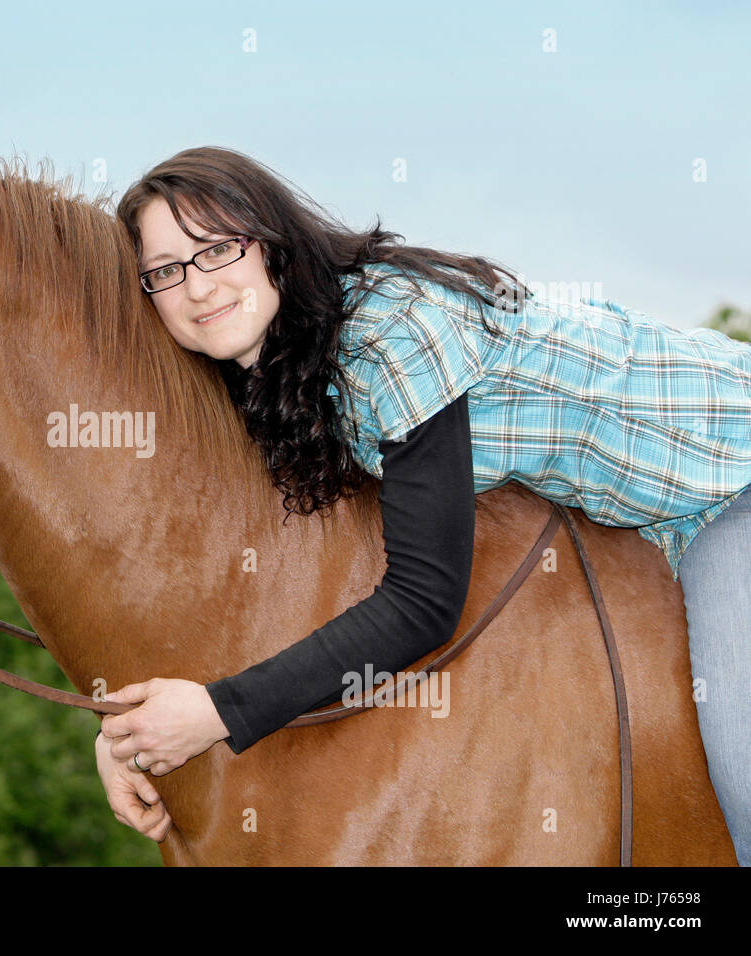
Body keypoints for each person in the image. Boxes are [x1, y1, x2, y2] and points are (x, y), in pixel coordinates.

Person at [94, 145, 751, 864]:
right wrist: (131, 736)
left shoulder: (389, 333)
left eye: (217, 248)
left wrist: (218, 714)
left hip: (728, 471)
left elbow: (425, 600)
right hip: (645, 519)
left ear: (270, 244)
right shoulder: (271, 371)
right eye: (165, 271)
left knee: (744, 778)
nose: (197, 287)